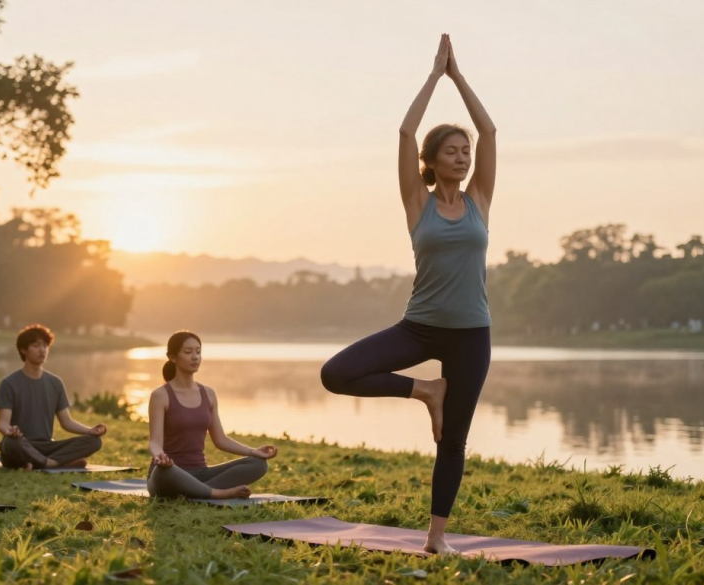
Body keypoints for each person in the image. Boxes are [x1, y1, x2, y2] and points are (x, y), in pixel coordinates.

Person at [320, 34, 496, 554]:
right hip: (419, 325)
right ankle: (424, 391)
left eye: (466, 152)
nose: (463, 157)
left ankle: (436, 538)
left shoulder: (479, 200)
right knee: (335, 373)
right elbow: (404, 130)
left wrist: (458, 77)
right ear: (432, 160)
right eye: (453, 151)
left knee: (452, 440)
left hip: (471, 333)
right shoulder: (416, 201)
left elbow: (488, 129)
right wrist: (433, 75)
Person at [147, 331, 278, 499]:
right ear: (172, 357)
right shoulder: (161, 395)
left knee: (258, 465)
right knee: (165, 472)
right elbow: (154, 442)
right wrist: (160, 458)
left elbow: (221, 440)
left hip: (201, 473)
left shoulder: (208, 394)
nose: (195, 357)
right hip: (169, 473)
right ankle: (217, 493)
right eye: (188, 352)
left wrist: (253, 452)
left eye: (198, 351)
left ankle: (193, 491)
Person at [0, 324, 106, 470]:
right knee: (10, 443)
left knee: (94, 442)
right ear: (23, 350)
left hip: (47, 446)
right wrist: (10, 432)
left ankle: (38, 463)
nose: (42, 350)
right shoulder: (9, 383)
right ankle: (52, 463)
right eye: (36, 346)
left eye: (45, 346)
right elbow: (3, 424)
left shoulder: (55, 383)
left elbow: (66, 422)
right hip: (20, 444)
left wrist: (89, 431)